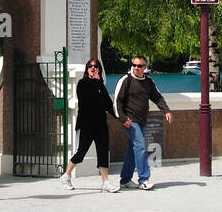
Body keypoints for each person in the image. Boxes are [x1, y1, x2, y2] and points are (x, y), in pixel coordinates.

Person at [113, 55, 173, 190]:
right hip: (130, 121)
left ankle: (125, 180)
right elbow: (117, 101)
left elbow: (158, 98)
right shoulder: (125, 80)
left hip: (141, 121)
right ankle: (144, 179)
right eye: (134, 65)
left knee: (132, 151)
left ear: (145, 67)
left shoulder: (148, 82)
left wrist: (167, 111)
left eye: (139, 66)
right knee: (140, 147)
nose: (136, 68)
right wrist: (123, 119)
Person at [61, 58, 119, 193]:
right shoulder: (82, 83)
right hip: (86, 124)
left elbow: (107, 103)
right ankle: (66, 175)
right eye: (90, 66)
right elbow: (88, 100)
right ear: (87, 70)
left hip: (101, 124)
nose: (93, 68)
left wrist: (119, 117)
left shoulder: (100, 85)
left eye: (96, 66)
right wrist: (97, 83)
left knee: (103, 152)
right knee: (81, 152)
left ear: (99, 69)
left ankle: (105, 182)